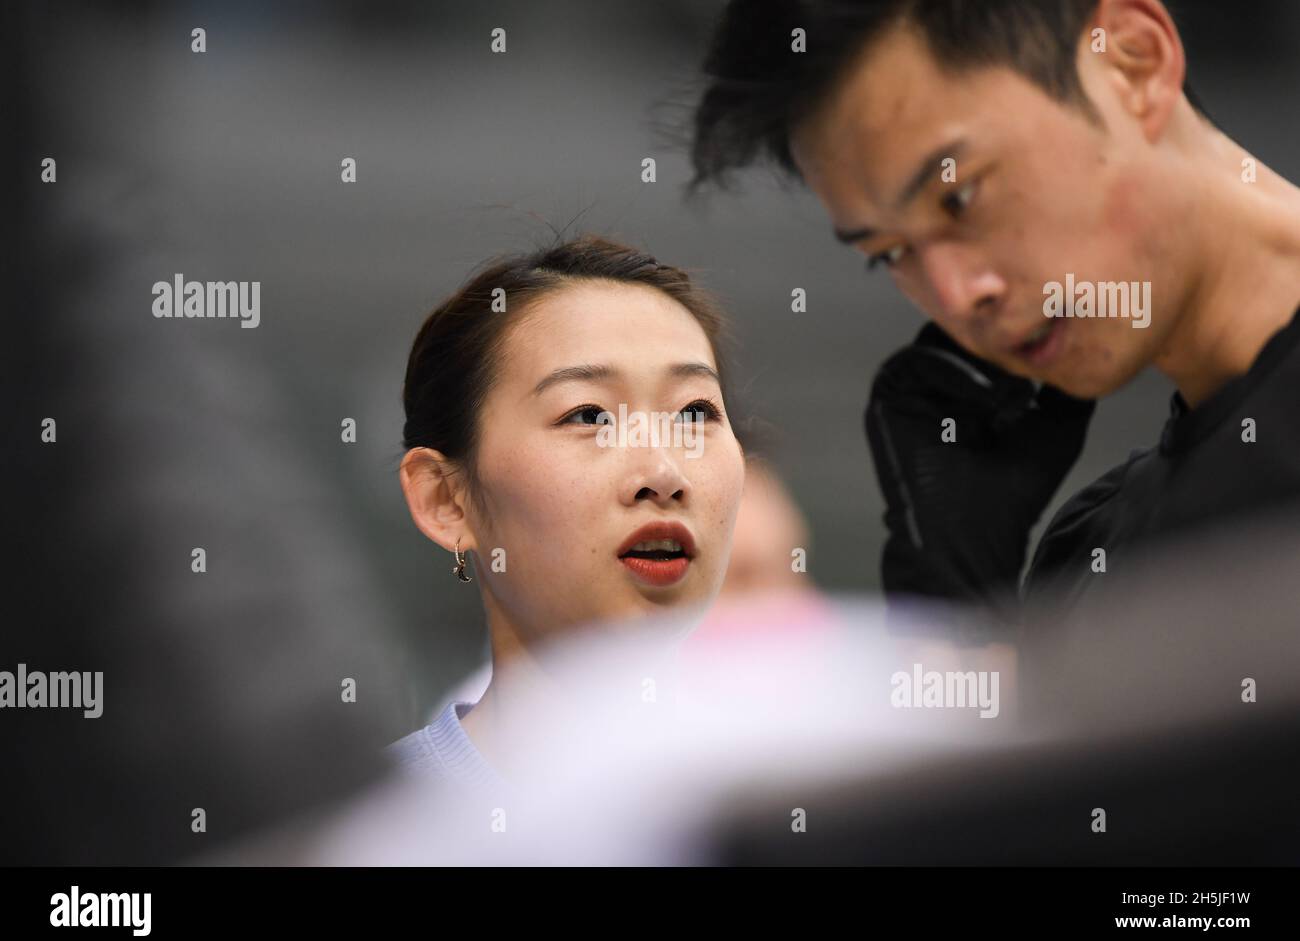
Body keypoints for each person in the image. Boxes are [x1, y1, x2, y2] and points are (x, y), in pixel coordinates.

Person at [688, 0, 1300, 619]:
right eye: (891, 252)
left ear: (1134, 64)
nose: (955, 296)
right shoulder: (1096, 558)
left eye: (960, 197)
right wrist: (957, 609)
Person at [387, 234, 747, 793]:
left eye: (695, 411)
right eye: (588, 416)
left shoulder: (835, 810)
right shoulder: (364, 833)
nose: (664, 473)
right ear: (446, 500)